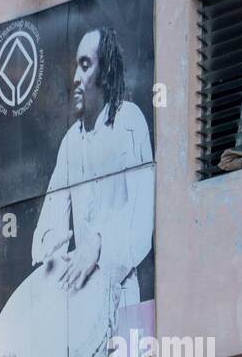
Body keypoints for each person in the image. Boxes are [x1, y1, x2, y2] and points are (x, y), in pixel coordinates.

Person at [30, 26, 154, 311]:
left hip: (120, 295)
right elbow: (47, 229)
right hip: (78, 298)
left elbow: (141, 220)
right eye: (76, 66)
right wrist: (51, 243)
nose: (75, 78)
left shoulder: (129, 121)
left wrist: (98, 245)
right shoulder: (70, 142)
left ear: (107, 71)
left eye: (85, 65)